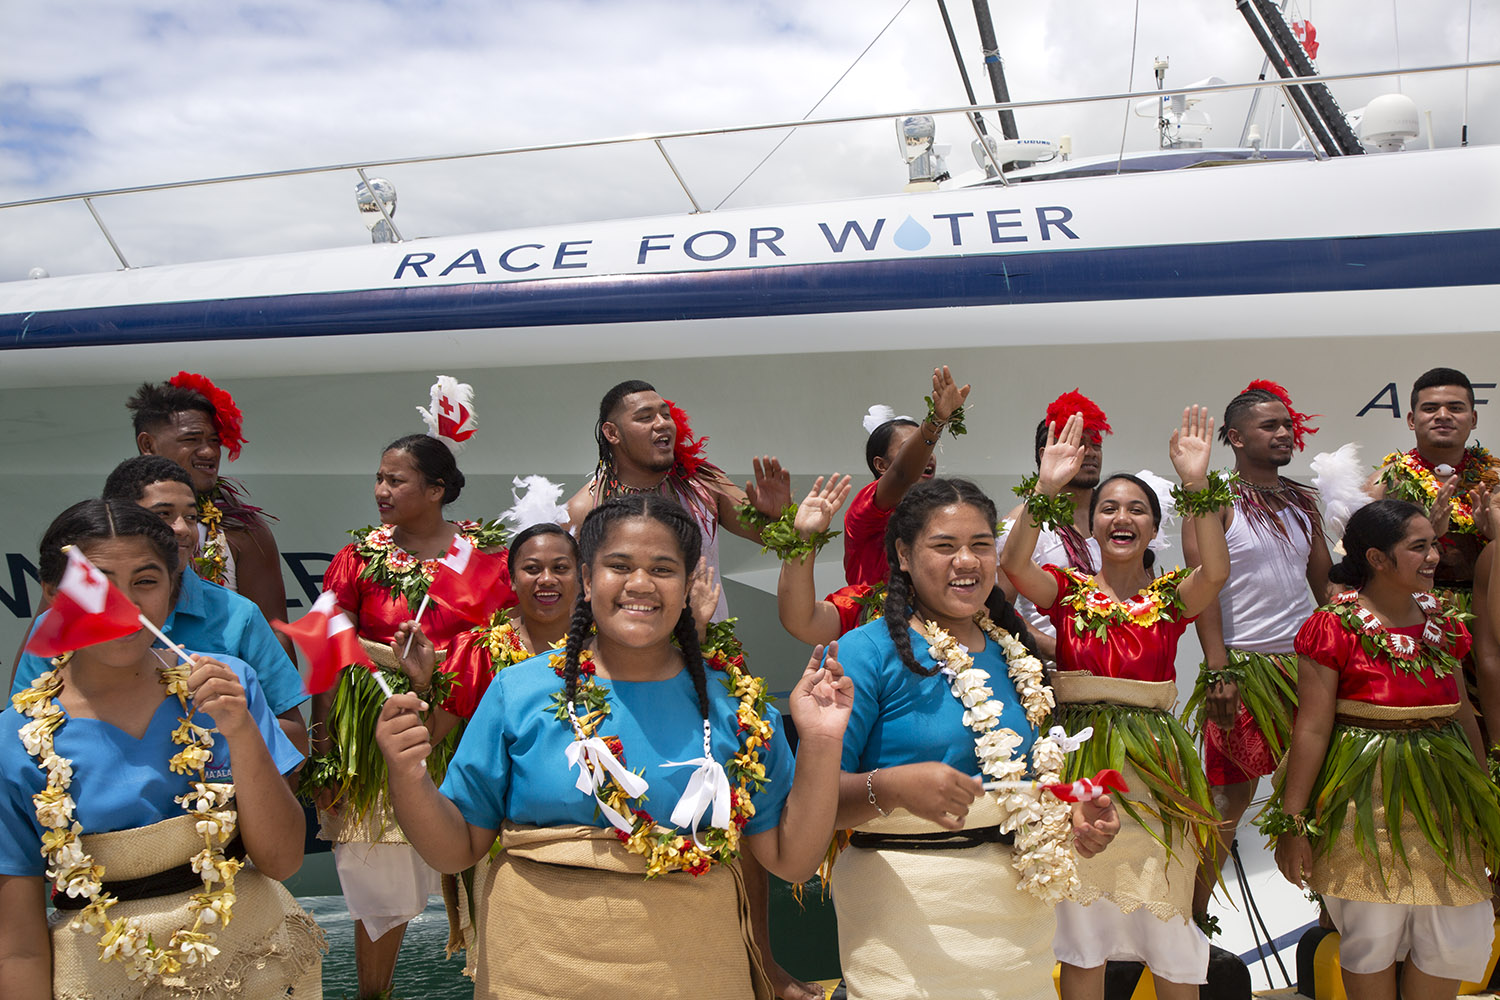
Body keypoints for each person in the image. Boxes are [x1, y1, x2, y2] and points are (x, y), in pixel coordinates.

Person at [374, 494, 853, 999]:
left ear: (690, 582)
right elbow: (455, 850)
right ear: (586, 578)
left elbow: (791, 860)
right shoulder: (518, 691)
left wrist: (822, 740)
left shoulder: (737, 703)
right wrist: (407, 776)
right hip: (537, 971)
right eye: (619, 566)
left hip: (696, 973)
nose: (640, 584)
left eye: (663, 568)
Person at [0, 500, 320, 998]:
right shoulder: (16, 741)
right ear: (54, 595)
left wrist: (241, 735)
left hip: (257, 963)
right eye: (97, 583)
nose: (123, 604)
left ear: (173, 586)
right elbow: (16, 945)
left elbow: (282, 861)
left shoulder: (226, 687)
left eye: (145, 581)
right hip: (102, 975)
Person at [832, 477, 1119, 1000]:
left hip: (1016, 929)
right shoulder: (863, 652)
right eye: (945, 546)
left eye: (981, 545)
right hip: (904, 921)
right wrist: (893, 786)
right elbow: (816, 802)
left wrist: (1069, 817)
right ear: (902, 554)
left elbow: (1019, 782)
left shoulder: (1016, 654)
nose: (966, 561)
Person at [1000, 408, 1230, 1000]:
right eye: (1109, 508)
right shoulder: (1068, 591)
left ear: (1154, 529)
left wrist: (1198, 485)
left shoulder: (1171, 598)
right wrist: (1045, 489)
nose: (1121, 517)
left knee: (1170, 922)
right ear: (1093, 526)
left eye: (1137, 509)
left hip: (1155, 768)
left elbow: (1216, 572)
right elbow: (1013, 566)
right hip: (1081, 768)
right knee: (1084, 932)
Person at [1265, 499, 1500, 1000]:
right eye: (1419, 547)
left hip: (1445, 796)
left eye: (1432, 545)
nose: (1434, 556)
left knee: (1453, 929)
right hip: (1361, 800)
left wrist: (1485, 801)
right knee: (1371, 931)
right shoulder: (1333, 625)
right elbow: (1311, 729)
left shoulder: (1444, 622)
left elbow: (1461, 714)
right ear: (1376, 558)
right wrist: (1293, 823)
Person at [307, 432, 508, 1000]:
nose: (381, 490)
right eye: (380, 478)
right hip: (375, 725)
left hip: (467, 718)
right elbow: (329, 652)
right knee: (378, 875)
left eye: (395, 480)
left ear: (437, 489)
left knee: (488, 857)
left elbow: (518, 639)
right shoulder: (358, 556)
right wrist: (326, 754)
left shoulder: (484, 554)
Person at [9, 457, 310, 755]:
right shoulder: (59, 625)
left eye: (191, 517)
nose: (181, 529)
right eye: (163, 514)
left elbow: (294, 736)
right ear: (119, 520)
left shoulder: (239, 617)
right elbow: (23, 727)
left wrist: (227, 729)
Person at [1182, 381, 1332, 925]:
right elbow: (1205, 589)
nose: (1284, 433)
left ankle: (1333, 915)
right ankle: (1193, 915)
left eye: (1287, 425)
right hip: (1242, 669)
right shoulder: (1213, 500)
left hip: (1307, 668)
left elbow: (1324, 587)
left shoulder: (1303, 500)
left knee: (1319, 794)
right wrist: (1218, 668)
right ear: (1235, 437)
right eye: (1269, 426)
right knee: (1228, 801)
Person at [565, 380, 792, 624]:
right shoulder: (585, 508)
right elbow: (568, 601)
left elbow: (780, 541)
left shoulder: (704, 485)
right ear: (612, 433)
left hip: (708, 653)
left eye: (666, 414)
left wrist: (779, 516)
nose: (662, 423)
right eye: (645, 417)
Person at [1373, 367, 1499, 738]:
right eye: (1430, 408)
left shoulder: (1493, 478)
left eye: (1455, 408)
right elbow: (1361, 561)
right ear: (1412, 419)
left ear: (1473, 419)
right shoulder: (1385, 481)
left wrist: (1494, 540)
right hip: (1413, 615)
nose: (1443, 416)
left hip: (1488, 612)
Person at [127, 373, 292, 653]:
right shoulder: (101, 529)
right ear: (147, 445)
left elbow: (275, 643)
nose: (209, 452)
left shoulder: (244, 532)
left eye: (214, 441)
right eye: (192, 439)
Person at [997, 389, 1108, 660]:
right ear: (1045, 454)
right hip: (1052, 680)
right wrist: (1065, 651)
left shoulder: (1117, 520)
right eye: (1078, 443)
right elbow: (999, 612)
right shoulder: (1019, 525)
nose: (1090, 452)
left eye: (1096, 443)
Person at [843, 366, 970, 588]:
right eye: (909, 450)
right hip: (877, 619)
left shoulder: (940, 509)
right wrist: (937, 421)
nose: (926, 457)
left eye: (928, 450)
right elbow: (903, 475)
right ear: (881, 465)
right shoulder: (866, 507)